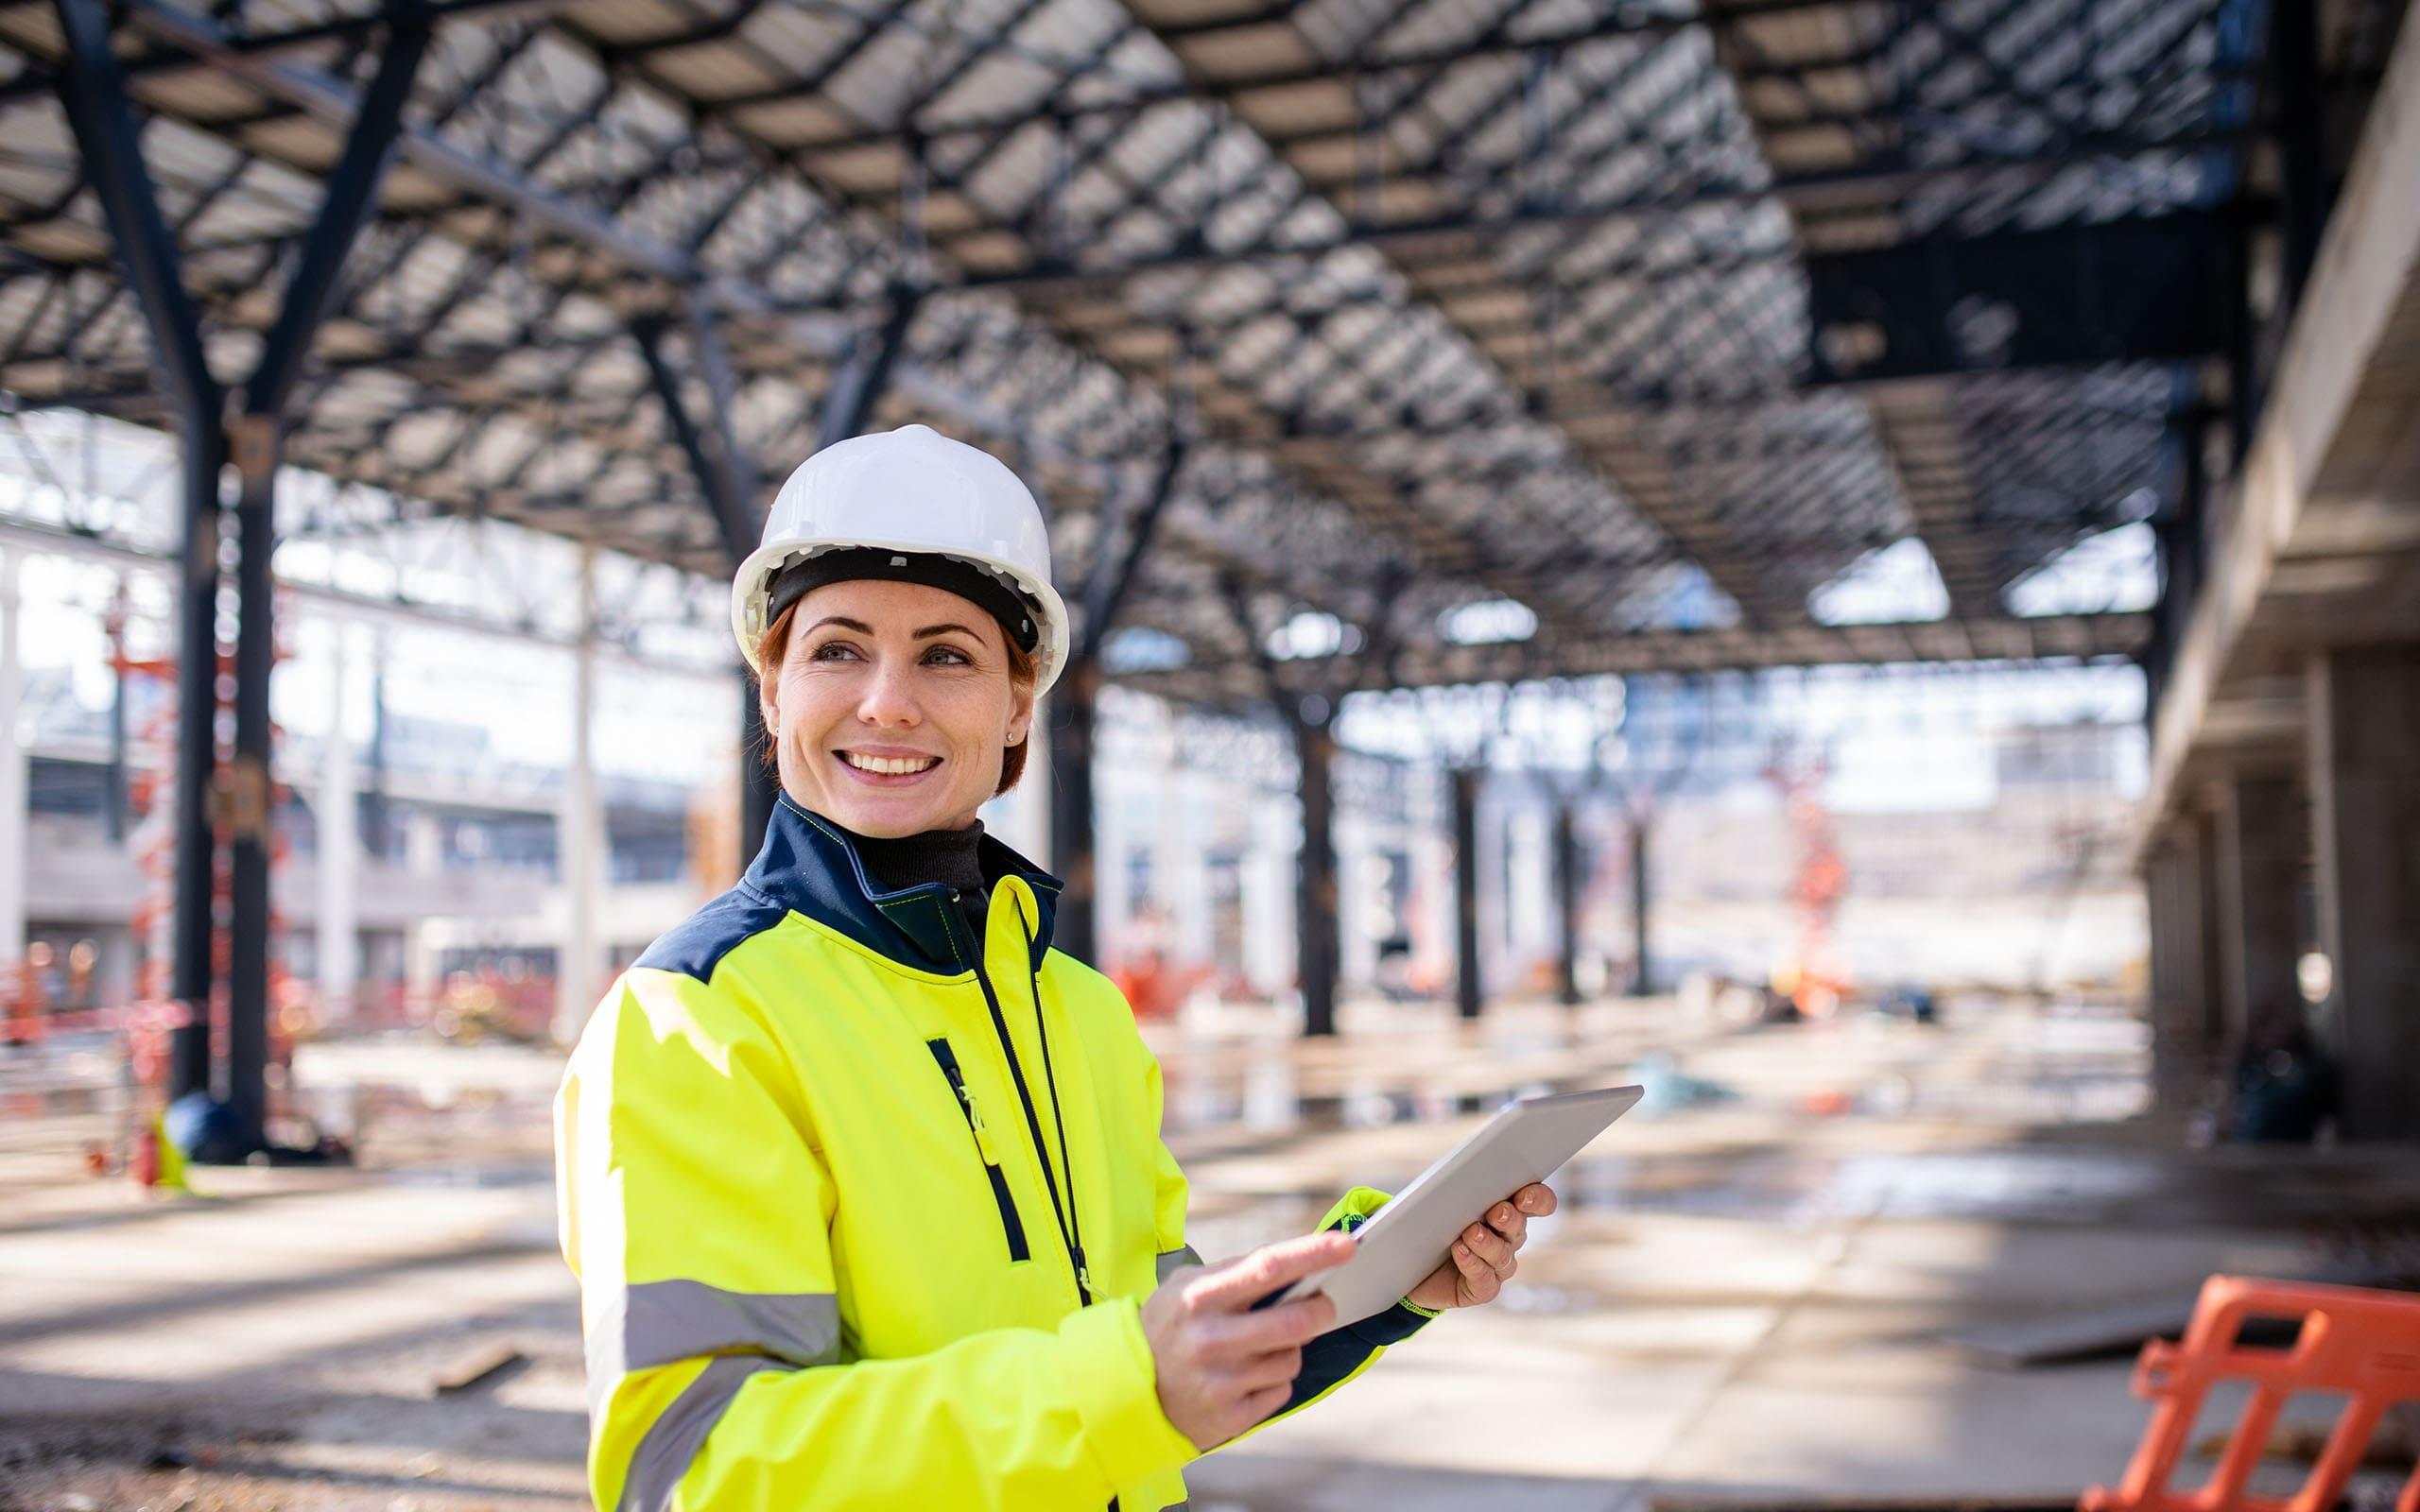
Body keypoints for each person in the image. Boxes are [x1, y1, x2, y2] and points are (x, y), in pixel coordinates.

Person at [553, 425, 1555, 1512]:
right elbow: (694, 1467)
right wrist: (1120, 1388)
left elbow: (1160, 1353)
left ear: (1018, 703)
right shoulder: (695, 1019)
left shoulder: (1078, 1011)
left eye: (946, 656)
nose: (886, 701)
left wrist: (1375, 1282)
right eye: (836, 650)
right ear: (771, 690)